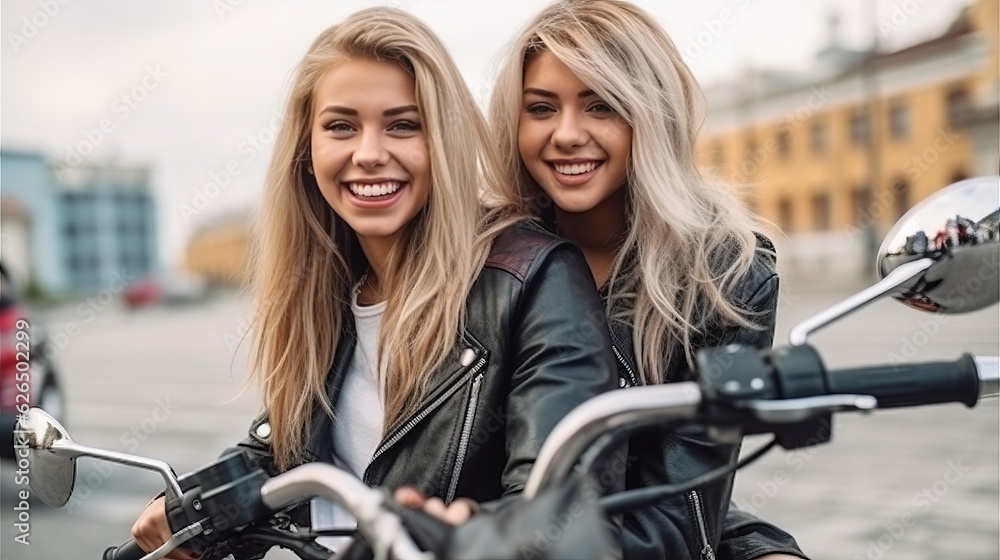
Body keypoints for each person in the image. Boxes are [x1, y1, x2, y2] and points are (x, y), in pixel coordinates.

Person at [129, 7, 618, 559]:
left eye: (402, 125)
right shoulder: (325, 292)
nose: (368, 154)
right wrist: (192, 514)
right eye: (341, 126)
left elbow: (557, 514)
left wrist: (465, 535)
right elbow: (284, 453)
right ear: (306, 151)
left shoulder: (534, 277)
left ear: (445, 141)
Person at [484, 1, 809, 558]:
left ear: (651, 114)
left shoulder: (726, 278)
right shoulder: (483, 253)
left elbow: (683, 506)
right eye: (540, 108)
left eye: (601, 105)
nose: (567, 134)